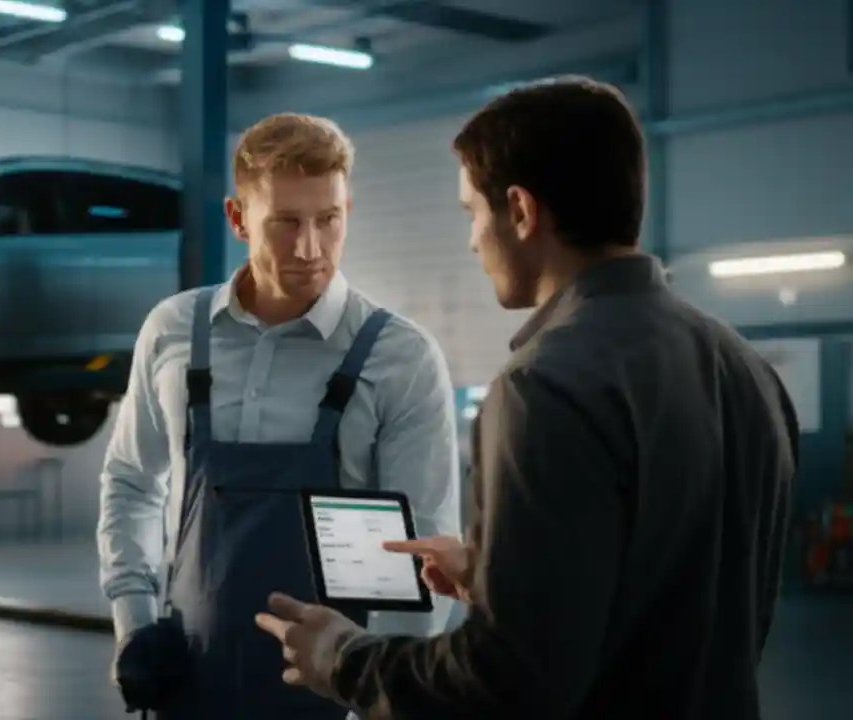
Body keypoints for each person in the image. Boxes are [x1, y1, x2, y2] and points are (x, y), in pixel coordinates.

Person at [255, 76, 799, 719]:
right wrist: (496, 574)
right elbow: (671, 594)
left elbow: (507, 682)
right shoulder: (748, 372)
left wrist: (343, 658)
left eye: (471, 213)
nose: (471, 240)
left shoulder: (544, 386)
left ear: (519, 210)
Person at [96, 112, 462, 719]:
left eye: (329, 220)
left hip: (334, 696)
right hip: (189, 683)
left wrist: (377, 699)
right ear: (238, 219)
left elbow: (422, 555)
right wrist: (135, 623)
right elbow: (133, 481)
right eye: (285, 222)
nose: (310, 247)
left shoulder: (402, 357)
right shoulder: (172, 333)